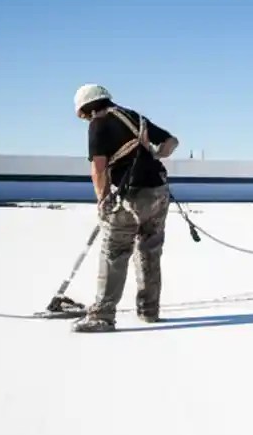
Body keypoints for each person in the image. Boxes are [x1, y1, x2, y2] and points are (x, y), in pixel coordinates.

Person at [72, 84, 179, 332]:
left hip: (131, 196)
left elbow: (99, 168)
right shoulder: (135, 118)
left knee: (115, 251)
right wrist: (155, 154)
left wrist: (103, 200)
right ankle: (149, 310)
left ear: (88, 107)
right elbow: (171, 141)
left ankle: (102, 315)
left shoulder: (99, 123)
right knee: (149, 250)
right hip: (159, 193)